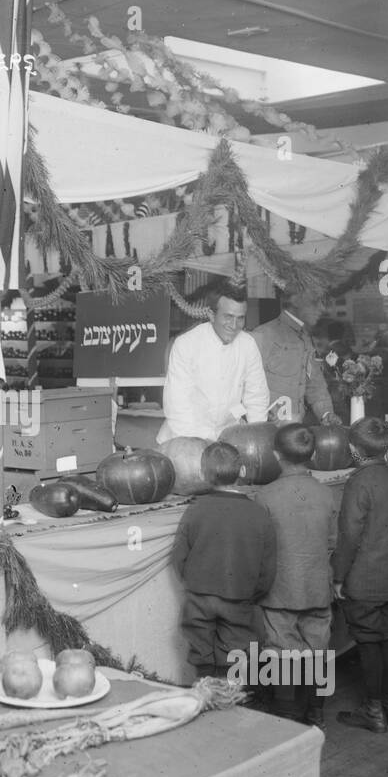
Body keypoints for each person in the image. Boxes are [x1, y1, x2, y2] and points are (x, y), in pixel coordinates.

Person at [171, 442, 277, 680]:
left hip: (199, 597)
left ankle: (205, 695)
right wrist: (253, 593)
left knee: (201, 653)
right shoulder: (259, 512)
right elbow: (267, 567)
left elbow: (179, 556)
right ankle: (231, 704)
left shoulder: (195, 509)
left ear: (201, 474)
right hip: (239, 597)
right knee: (236, 654)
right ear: (242, 472)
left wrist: (194, 584)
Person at [253, 424, 336, 726]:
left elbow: (261, 547)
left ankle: (285, 713)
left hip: (280, 589)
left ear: (275, 455)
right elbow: (331, 542)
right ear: (313, 454)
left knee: (281, 648)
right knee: (319, 647)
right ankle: (316, 710)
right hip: (317, 586)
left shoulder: (265, 496)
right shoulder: (326, 493)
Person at [332, 416, 388, 734]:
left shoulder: (358, 482)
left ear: (353, 449)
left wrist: (338, 576)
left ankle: (373, 710)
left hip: (363, 579)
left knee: (367, 643)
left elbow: (349, 536)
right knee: (387, 639)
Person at [158, 281, 270, 443]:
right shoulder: (186, 344)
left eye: (240, 318)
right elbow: (178, 405)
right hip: (185, 437)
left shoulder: (248, 344)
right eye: (228, 317)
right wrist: (200, 445)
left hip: (229, 438)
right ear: (211, 315)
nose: (234, 325)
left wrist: (256, 439)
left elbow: (257, 396)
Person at [253, 289, 341, 427]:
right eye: (315, 301)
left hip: (296, 432)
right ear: (295, 299)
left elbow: (315, 385)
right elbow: (243, 384)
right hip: (267, 430)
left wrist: (326, 414)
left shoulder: (306, 339)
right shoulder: (264, 335)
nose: (322, 308)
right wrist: (266, 409)